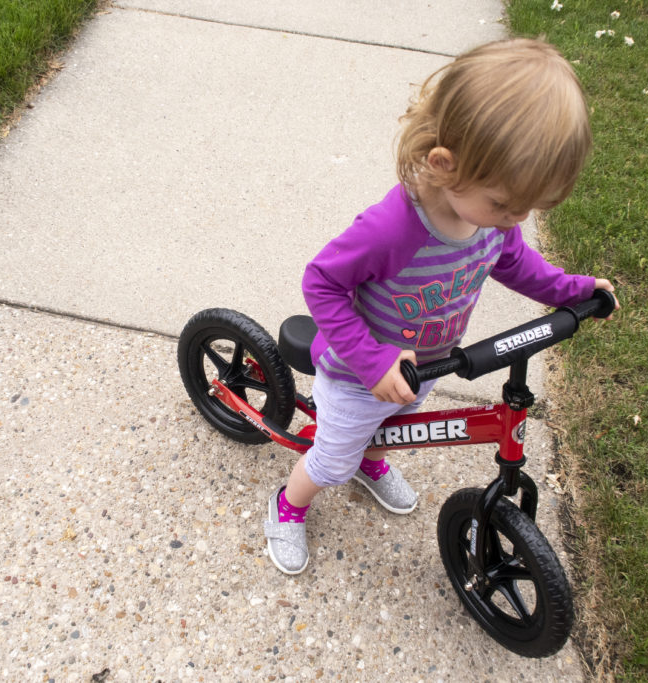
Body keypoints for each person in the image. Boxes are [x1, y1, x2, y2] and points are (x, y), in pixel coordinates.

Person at [263, 38, 619, 575]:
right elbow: (322, 283)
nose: (515, 219)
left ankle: (370, 462)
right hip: (361, 375)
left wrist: (574, 291)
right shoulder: (393, 228)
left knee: (394, 427)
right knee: (331, 461)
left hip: (426, 365)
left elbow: (518, 264)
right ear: (444, 164)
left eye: (528, 207)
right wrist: (372, 361)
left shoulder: (489, 220)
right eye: (505, 203)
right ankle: (289, 504)